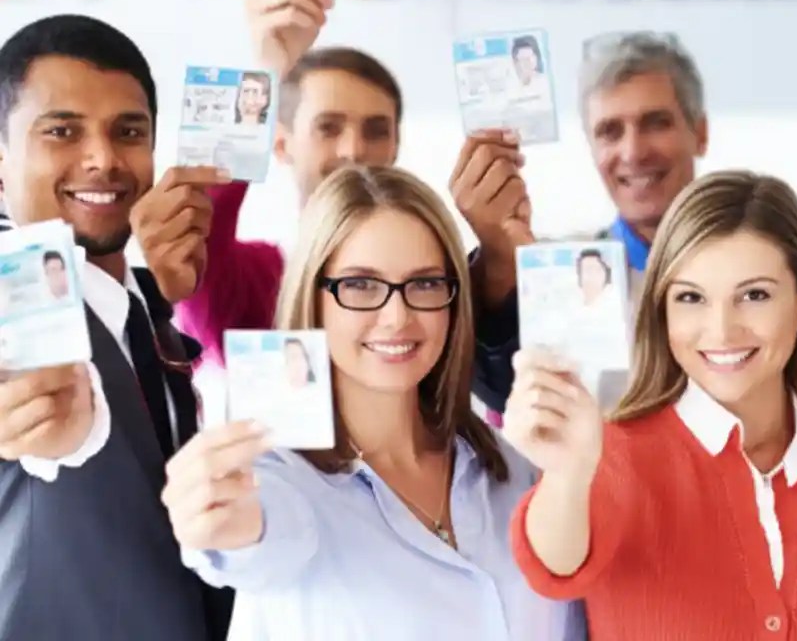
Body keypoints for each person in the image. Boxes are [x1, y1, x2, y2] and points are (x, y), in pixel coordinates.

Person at [506, 170, 797, 640]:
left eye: (754, 295)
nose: (722, 330)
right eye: (691, 298)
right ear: (663, 312)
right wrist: (567, 473)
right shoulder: (610, 458)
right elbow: (553, 565)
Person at [164, 166, 585, 641]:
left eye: (424, 283)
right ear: (314, 297)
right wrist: (220, 524)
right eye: (361, 285)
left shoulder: (511, 468)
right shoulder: (279, 478)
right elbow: (259, 542)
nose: (396, 316)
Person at [176, 0, 530, 413]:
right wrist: (261, 70)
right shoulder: (254, 281)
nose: (352, 150)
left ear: (397, 143)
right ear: (280, 142)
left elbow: (500, 405)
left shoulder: (438, 284)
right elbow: (191, 224)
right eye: (328, 127)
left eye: (375, 130)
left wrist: (501, 252)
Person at [0, 14, 234, 639]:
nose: (102, 159)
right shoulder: (9, 305)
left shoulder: (150, 308)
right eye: (62, 132)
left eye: (128, 131)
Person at [473, 31, 708, 426]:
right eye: (610, 132)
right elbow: (505, 400)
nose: (633, 152)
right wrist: (497, 258)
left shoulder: (758, 272)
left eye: (655, 123)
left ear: (700, 134)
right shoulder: (553, 282)